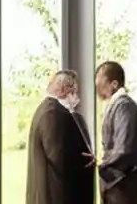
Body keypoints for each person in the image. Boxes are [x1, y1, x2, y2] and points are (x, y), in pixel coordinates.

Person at [26, 70, 95, 204]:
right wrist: (86, 161)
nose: (76, 97)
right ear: (64, 90)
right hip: (57, 196)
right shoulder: (52, 113)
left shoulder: (47, 110)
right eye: (74, 91)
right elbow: (60, 158)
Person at [96, 61, 137, 204]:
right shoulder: (119, 107)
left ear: (114, 84)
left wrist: (102, 166)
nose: (96, 85)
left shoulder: (124, 107)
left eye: (100, 81)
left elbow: (123, 149)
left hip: (124, 187)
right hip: (121, 185)